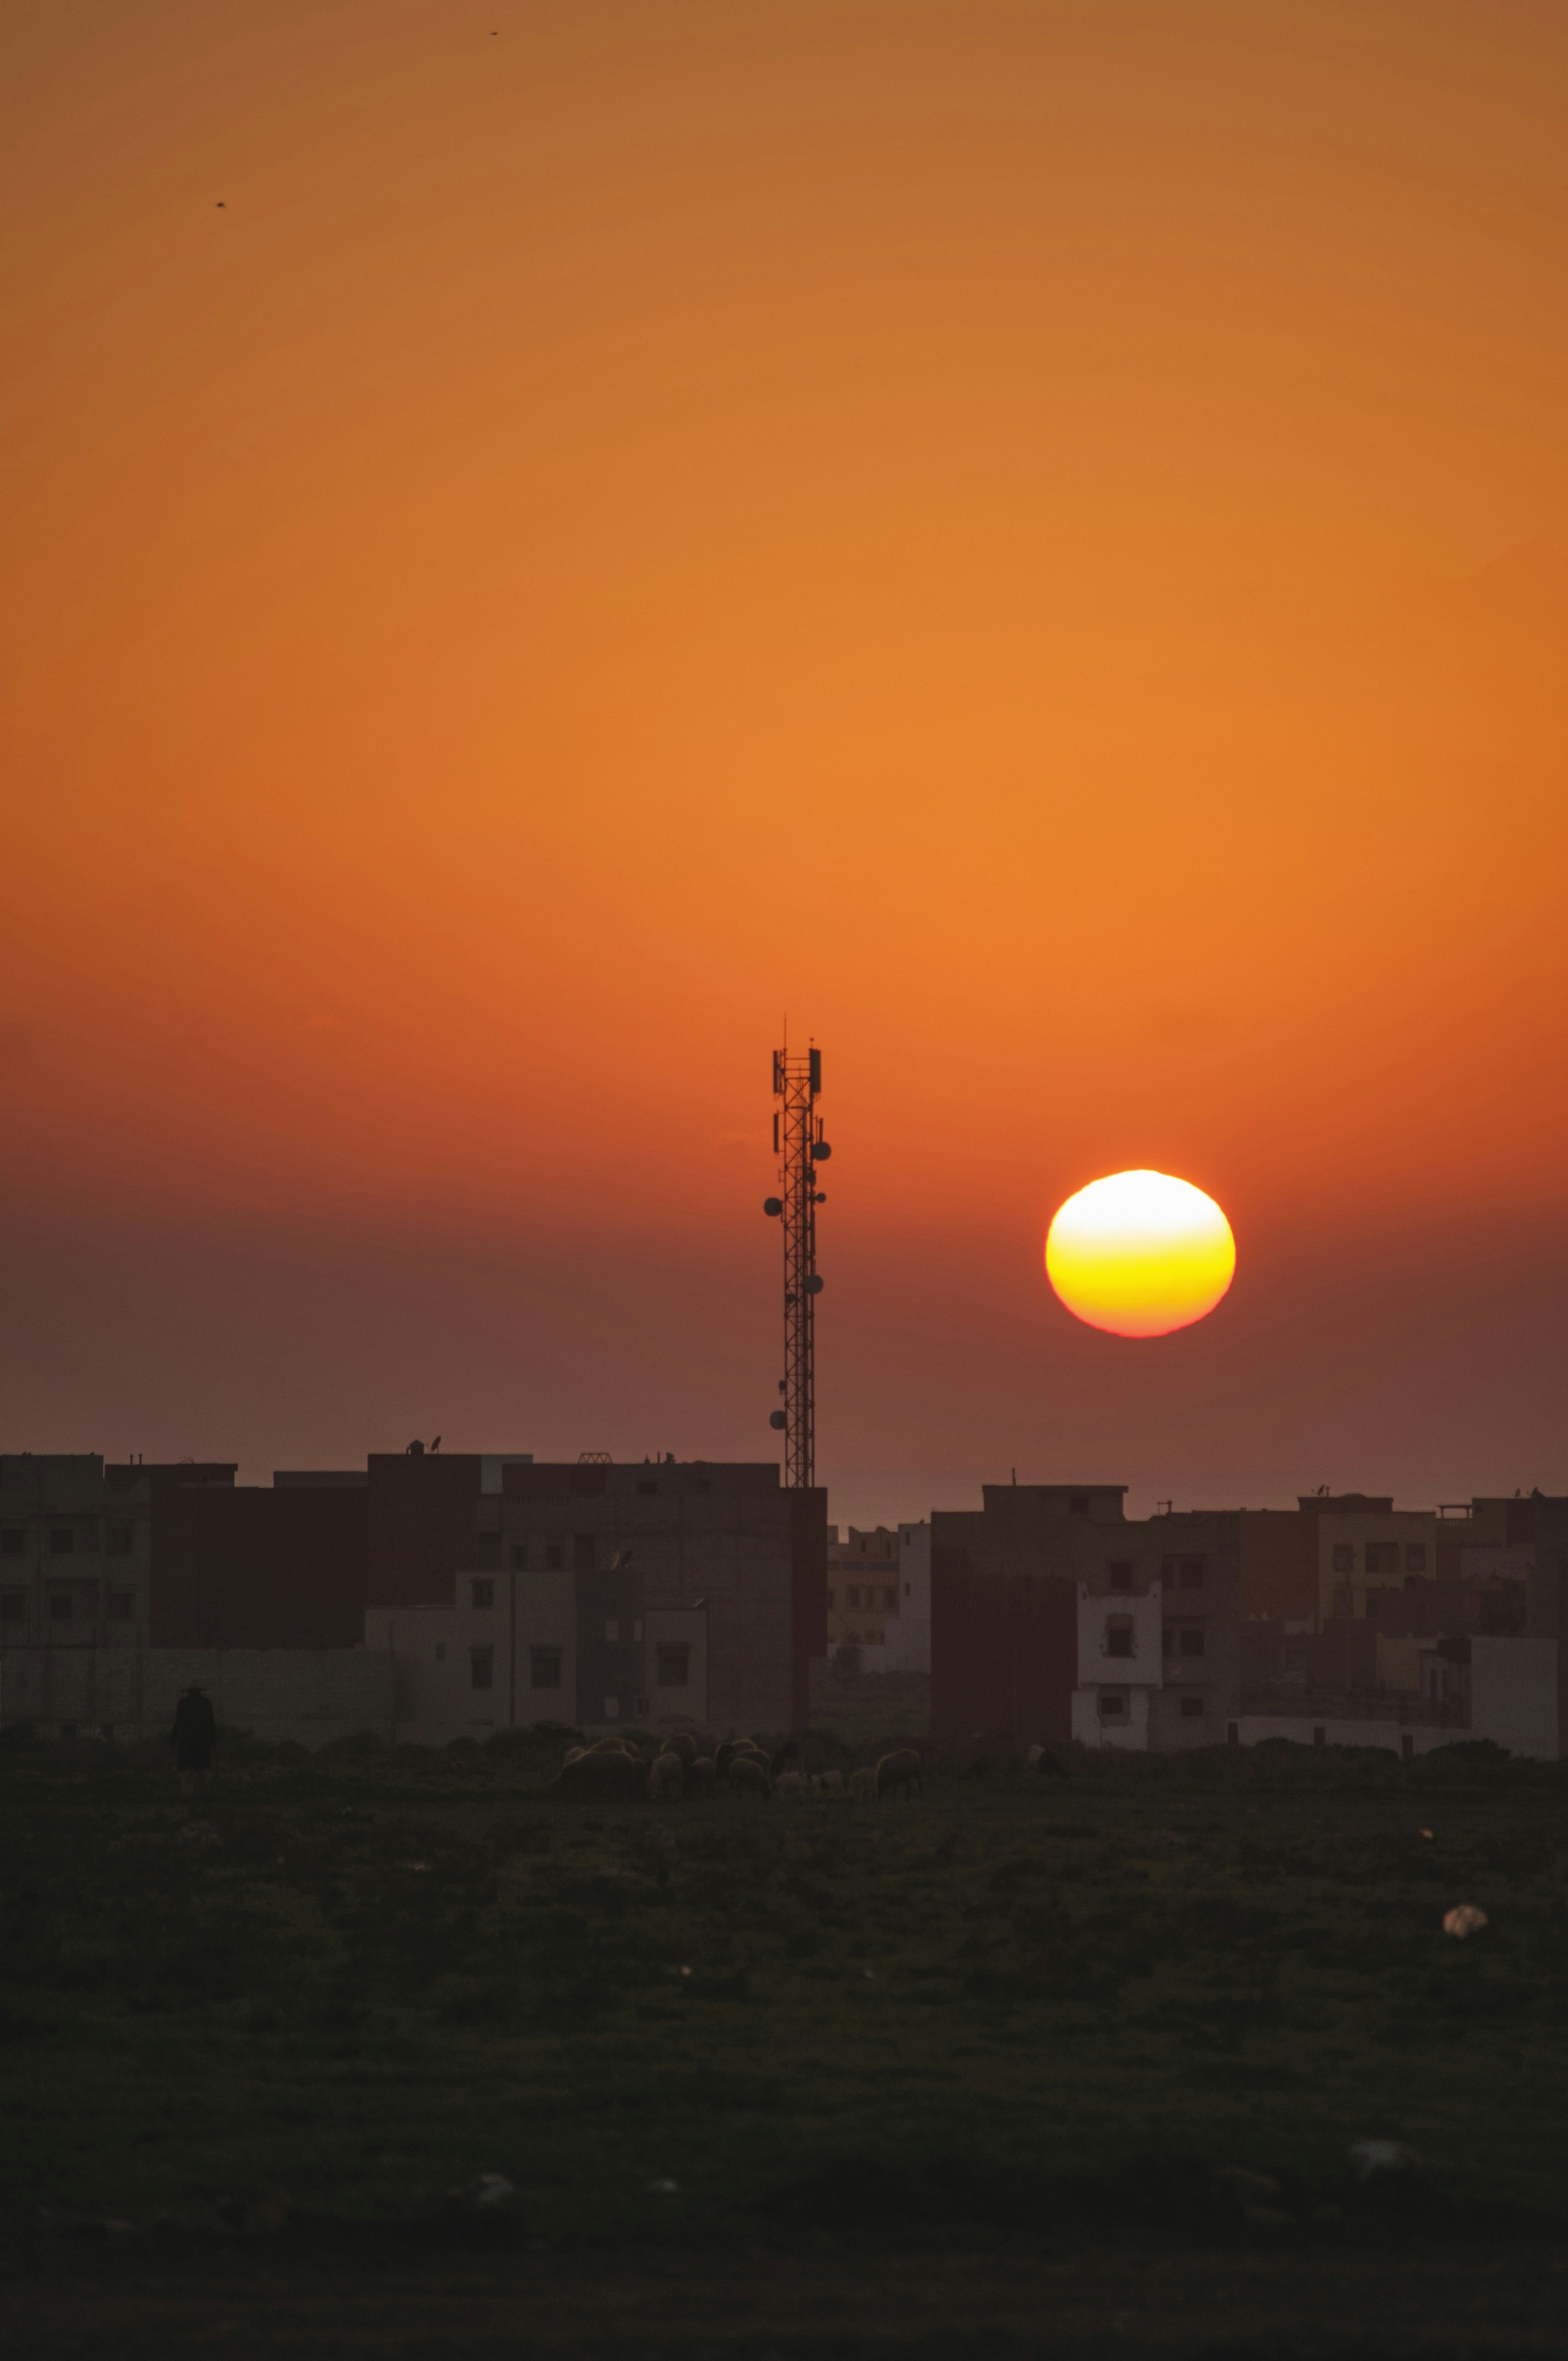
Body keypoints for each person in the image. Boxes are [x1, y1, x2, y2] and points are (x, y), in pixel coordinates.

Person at [171, 1684, 217, 1799]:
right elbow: (211, 1723)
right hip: (203, 1741)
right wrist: (213, 1741)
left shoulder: (183, 1704)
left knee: (187, 1769)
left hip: (187, 1742)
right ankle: (203, 1794)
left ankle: (187, 1795)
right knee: (202, 1769)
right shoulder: (206, 1703)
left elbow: (179, 1723)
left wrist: (173, 1740)